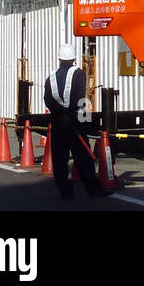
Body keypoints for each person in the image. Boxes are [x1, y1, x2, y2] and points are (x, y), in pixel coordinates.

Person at [44, 43, 108, 199]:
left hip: (58, 123)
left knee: (60, 159)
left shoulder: (50, 77)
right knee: (83, 157)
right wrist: (71, 114)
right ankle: (93, 189)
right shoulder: (79, 74)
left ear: (59, 58)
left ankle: (66, 192)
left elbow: (47, 100)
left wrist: (60, 113)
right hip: (75, 124)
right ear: (73, 58)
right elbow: (80, 97)